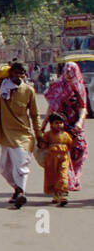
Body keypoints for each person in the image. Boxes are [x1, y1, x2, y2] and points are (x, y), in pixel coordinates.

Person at [0, 63, 42, 208]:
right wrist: (3, 68)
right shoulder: (2, 87)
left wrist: (39, 134)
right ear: (10, 74)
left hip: (22, 134)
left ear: (25, 75)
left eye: (21, 73)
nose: (18, 76)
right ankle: (16, 188)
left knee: (21, 164)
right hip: (4, 133)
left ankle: (20, 192)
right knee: (4, 168)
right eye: (15, 73)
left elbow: (34, 114)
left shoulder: (28, 91)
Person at [44, 61, 87, 193]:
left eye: (71, 71)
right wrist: (42, 126)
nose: (69, 74)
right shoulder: (57, 86)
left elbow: (82, 107)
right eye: (66, 71)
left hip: (75, 126)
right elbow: (51, 108)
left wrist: (80, 121)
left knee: (79, 150)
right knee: (62, 154)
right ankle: (65, 182)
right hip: (60, 126)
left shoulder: (79, 87)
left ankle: (73, 177)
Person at [36, 113, 72, 206]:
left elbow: (70, 144)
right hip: (51, 159)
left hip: (63, 158)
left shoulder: (66, 135)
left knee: (63, 174)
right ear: (51, 124)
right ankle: (56, 194)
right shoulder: (48, 135)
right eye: (56, 123)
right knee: (53, 176)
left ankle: (63, 194)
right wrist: (40, 141)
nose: (59, 125)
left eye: (61, 123)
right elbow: (43, 145)